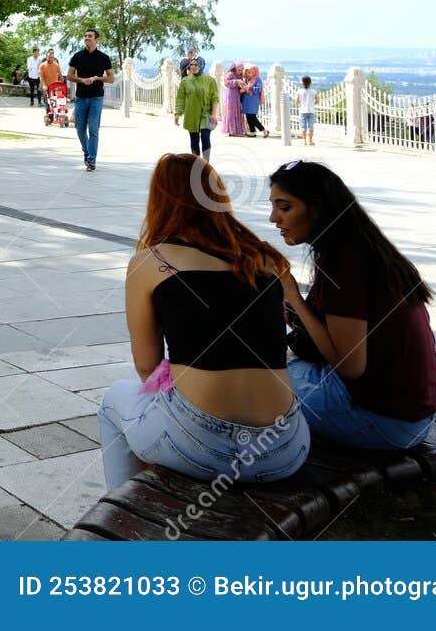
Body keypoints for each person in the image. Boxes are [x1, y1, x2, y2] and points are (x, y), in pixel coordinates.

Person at [97, 154, 309, 492]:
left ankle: (125, 528)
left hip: (202, 445)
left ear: (159, 201)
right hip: (284, 446)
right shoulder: (262, 257)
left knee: (114, 401)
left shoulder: (151, 262)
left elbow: (146, 368)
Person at [268, 160, 436, 450]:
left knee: (260, 386)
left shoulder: (342, 263)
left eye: (285, 208)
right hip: (415, 416)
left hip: (387, 423)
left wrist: (293, 296)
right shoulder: (360, 246)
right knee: (283, 373)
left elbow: (350, 366)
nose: (274, 218)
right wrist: (294, 308)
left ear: (317, 208)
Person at [67, 29, 115, 171]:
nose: (87, 38)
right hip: (81, 97)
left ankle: (92, 160)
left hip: (96, 98)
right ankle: (87, 152)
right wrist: (82, 80)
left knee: (93, 128)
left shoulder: (104, 58)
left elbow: (111, 78)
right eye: (85, 36)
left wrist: (97, 78)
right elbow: (69, 76)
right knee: (79, 129)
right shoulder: (77, 56)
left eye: (90, 36)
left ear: (96, 39)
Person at [174, 58, 219, 159]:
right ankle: (196, 163)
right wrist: (177, 114)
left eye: (196, 65)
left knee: (205, 138)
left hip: (205, 115)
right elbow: (180, 99)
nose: (193, 67)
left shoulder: (210, 80)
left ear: (201, 65)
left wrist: (214, 114)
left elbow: (215, 98)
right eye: (192, 65)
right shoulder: (185, 81)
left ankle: (206, 163)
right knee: (194, 141)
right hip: (191, 115)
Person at [220, 62, 246, 136]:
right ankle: (232, 131)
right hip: (230, 96)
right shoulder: (230, 74)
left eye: (242, 70)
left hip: (237, 96)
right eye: (239, 70)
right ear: (235, 69)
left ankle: (236, 130)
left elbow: (240, 86)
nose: (240, 71)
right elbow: (226, 83)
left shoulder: (240, 76)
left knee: (236, 112)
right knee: (231, 112)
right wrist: (236, 81)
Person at [241, 64, 267, 136]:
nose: (248, 74)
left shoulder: (257, 79)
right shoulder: (247, 79)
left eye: (250, 72)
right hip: (246, 100)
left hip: (253, 101)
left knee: (252, 117)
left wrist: (249, 88)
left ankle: (264, 130)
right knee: (248, 116)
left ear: (254, 72)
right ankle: (252, 132)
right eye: (247, 73)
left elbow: (258, 89)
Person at [297, 76, 317, 146]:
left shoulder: (299, 91)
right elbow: (317, 100)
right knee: (310, 127)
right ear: (310, 83)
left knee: (303, 127)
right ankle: (310, 141)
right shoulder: (314, 91)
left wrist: (301, 104)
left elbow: (297, 101)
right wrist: (312, 103)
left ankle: (304, 141)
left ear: (302, 83)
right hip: (311, 111)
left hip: (302, 111)